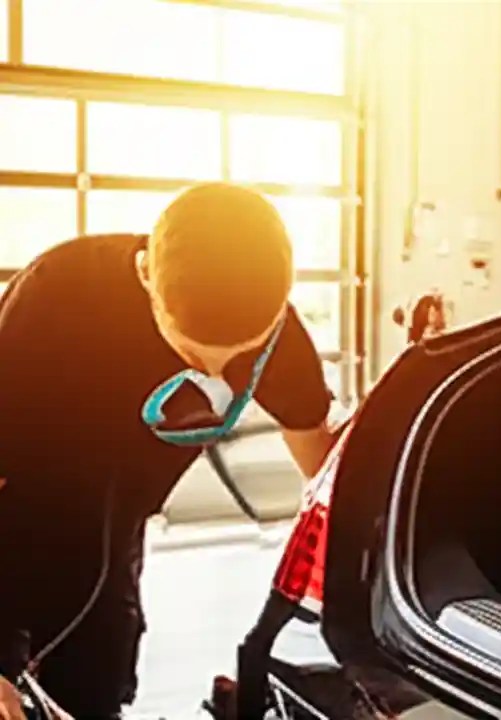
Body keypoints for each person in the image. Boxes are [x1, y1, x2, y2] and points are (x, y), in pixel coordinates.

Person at [0, 183, 341, 719]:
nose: (210, 376)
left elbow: (320, 464)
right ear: (145, 281)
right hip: (22, 507)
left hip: (124, 520)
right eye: (189, 352)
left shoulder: (274, 333)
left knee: (100, 667)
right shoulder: (54, 302)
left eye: (237, 360)